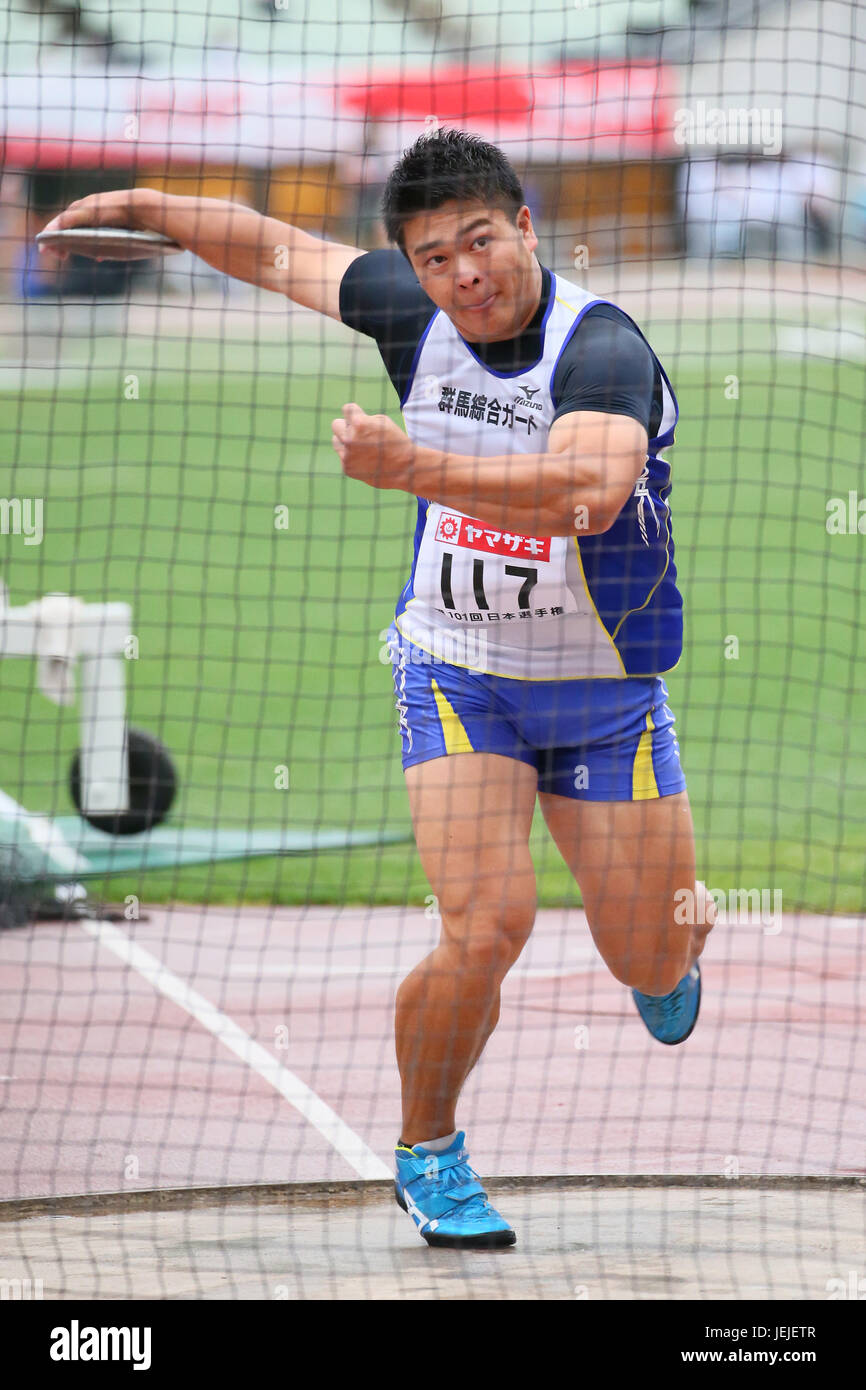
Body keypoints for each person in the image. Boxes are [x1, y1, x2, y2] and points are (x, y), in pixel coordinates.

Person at [43, 128, 715, 1250]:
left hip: (604, 689)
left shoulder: (598, 350)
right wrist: (144, 204)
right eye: (436, 256)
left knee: (653, 949)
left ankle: (659, 961)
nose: (466, 274)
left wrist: (414, 468)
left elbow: (586, 495)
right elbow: (268, 251)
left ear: (525, 228)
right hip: (458, 673)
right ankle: (428, 1150)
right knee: (485, 923)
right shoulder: (411, 311)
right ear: (411, 264)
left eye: (483, 241)